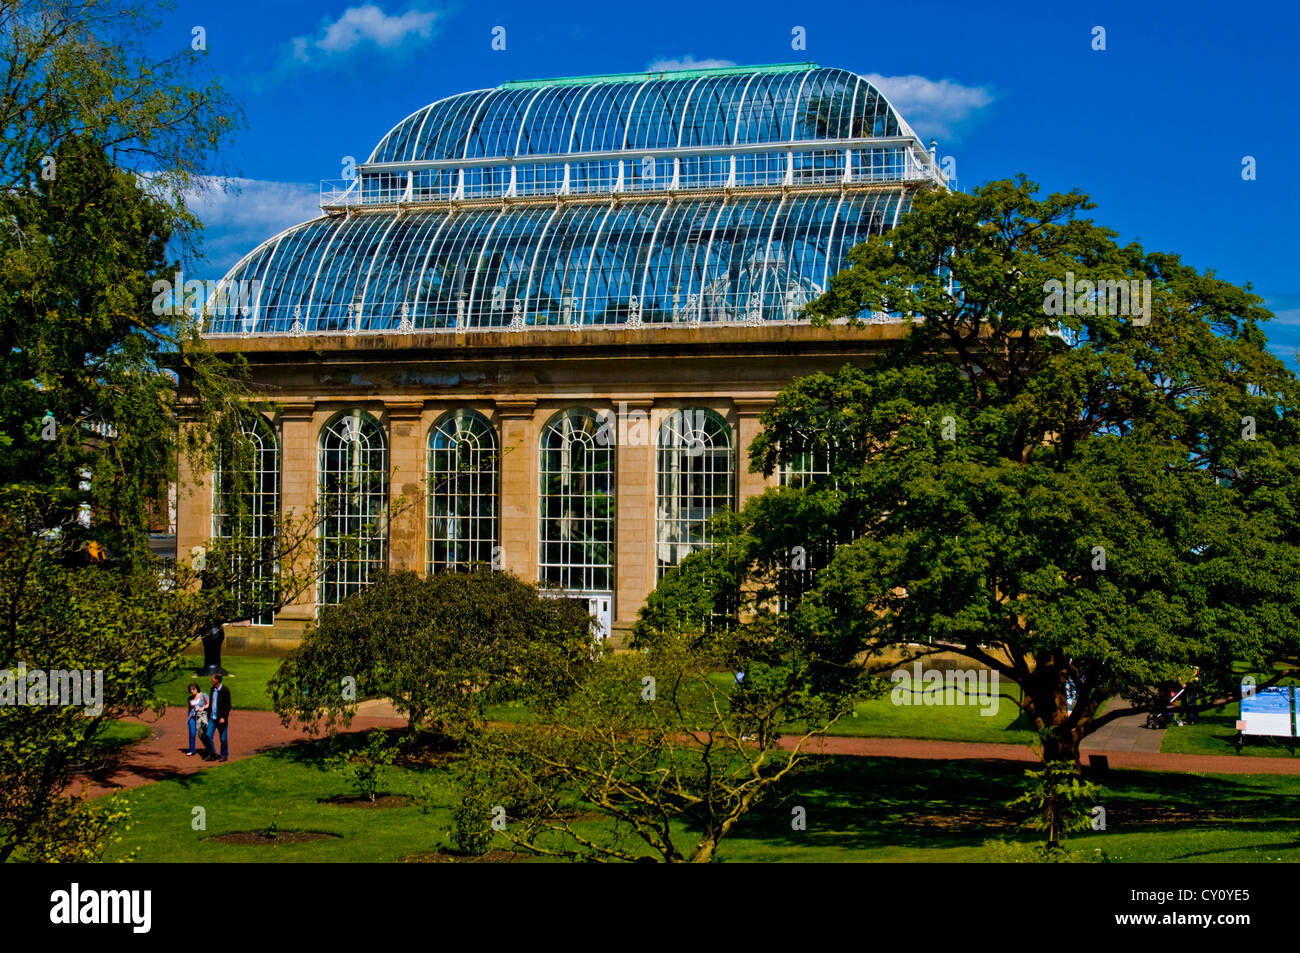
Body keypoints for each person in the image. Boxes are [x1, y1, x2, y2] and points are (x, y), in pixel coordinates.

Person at [206, 673, 231, 762]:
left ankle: (224, 755)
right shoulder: (212, 690)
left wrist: (224, 717)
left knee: (223, 738)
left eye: (213, 679)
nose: (211, 680)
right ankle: (213, 753)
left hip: (221, 719)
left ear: (217, 680)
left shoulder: (225, 690)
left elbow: (228, 705)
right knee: (208, 735)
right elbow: (212, 703)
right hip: (212, 718)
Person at [185, 683, 210, 756]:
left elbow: (208, 704)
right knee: (192, 733)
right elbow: (189, 709)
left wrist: (203, 708)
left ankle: (208, 748)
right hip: (192, 717)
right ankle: (192, 750)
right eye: (190, 690)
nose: (192, 691)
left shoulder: (203, 695)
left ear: (197, 689)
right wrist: (188, 718)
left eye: (193, 689)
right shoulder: (190, 698)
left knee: (202, 734)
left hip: (201, 717)